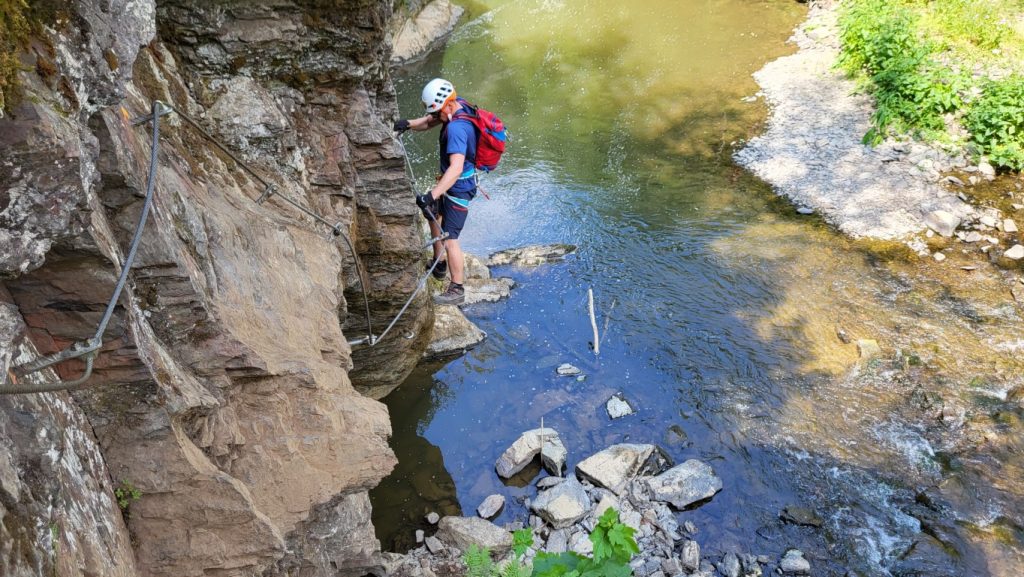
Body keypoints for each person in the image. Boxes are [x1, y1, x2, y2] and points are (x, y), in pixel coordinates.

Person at [394, 78, 478, 305]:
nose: (437, 117)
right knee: (432, 211)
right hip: (450, 183)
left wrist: (432, 193)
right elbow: (430, 121)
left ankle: (457, 288)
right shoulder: (455, 105)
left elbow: (456, 168)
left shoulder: (457, 130)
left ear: (448, 106)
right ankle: (439, 263)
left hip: (459, 188)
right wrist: (408, 124)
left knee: (451, 237)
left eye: (439, 112)